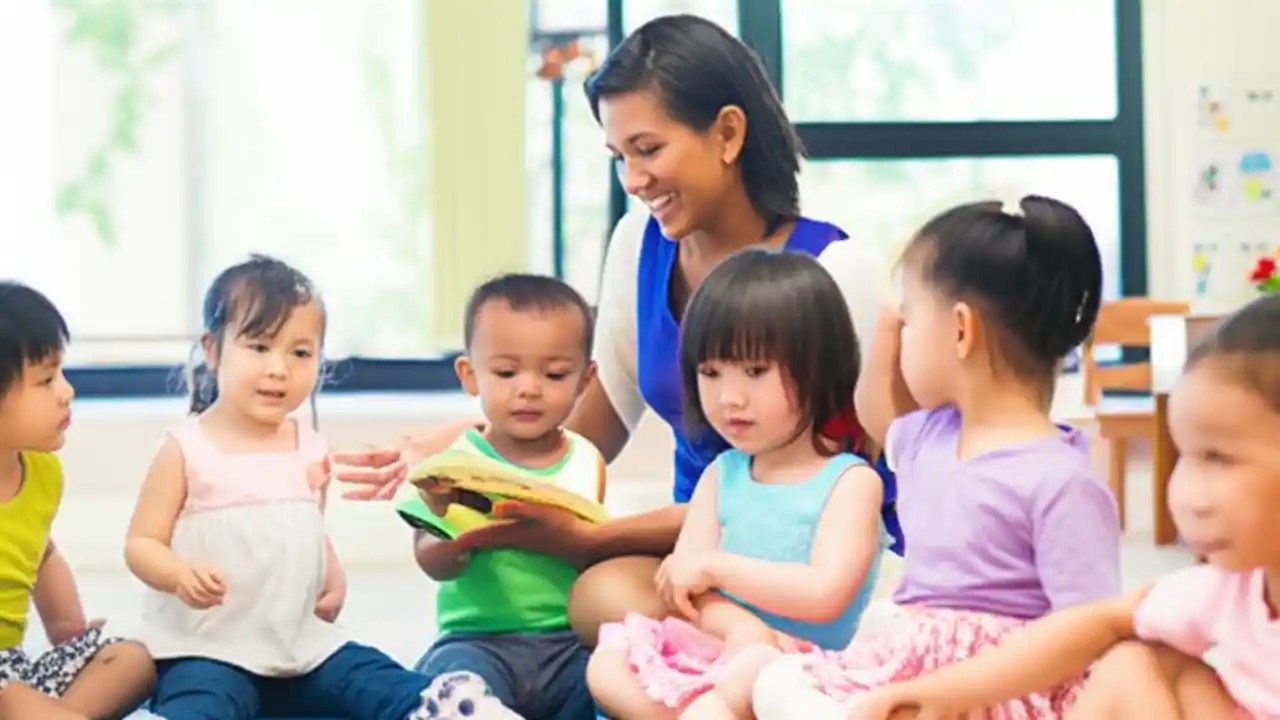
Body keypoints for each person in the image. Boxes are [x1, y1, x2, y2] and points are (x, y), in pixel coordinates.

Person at [331, 12, 897, 648]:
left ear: (728, 133)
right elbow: (587, 428)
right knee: (598, 600)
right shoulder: (638, 244)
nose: (633, 180)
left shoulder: (834, 271)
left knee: (604, 595)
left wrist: (598, 538)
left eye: (649, 150)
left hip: (800, 564)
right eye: (619, 156)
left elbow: (852, 480)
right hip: (691, 552)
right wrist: (463, 454)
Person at [750, 196, 1123, 719]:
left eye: (911, 316)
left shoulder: (1061, 480)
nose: (901, 331)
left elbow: (1089, 628)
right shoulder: (930, 437)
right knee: (770, 680)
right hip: (911, 657)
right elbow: (873, 407)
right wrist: (886, 328)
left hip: (991, 689)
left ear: (961, 330)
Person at [846, 293, 1280, 720]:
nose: (1185, 493)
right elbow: (1098, 621)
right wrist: (942, 693)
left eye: (1218, 458)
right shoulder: (1226, 591)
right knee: (1132, 663)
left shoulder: (1058, 478)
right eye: (1185, 455)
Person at [122, 255, 461, 720]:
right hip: (206, 646)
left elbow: (303, 526)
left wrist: (331, 574)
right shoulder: (187, 448)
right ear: (213, 349)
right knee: (204, 702)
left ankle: (450, 710)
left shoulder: (308, 446)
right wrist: (177, 573)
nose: (279, 368)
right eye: (259, 347)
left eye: (300, 353)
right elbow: (141, 542)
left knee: (374, 678)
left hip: (299, 644)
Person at [586, 250, 888, 720]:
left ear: (819, 368)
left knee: (752, 678)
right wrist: (739, 626)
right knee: (606, 664)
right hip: (723, 650)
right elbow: (686, 591)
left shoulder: (850, 482)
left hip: (802, 673)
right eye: (710, 373)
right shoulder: (721, 475)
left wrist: (718, 569)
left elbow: (825, 593)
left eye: (755, 372)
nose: (730, 397)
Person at [394, 274, 604, 719]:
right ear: (470, 376)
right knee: (448, 684)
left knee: (617, 675)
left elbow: (594, 550)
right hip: (477, 639)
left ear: (585, 380)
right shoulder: (453, 460)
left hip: (568, 641)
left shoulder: (587, 460)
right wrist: (460, 540)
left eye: (554, 374)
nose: (528, 388)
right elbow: (430, 560)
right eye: (506, 372)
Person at [0, 281, 155, 720]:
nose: (66, 391)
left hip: (10, 670)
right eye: (46, 380)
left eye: (61, 374)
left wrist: (69, 633)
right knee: (12, 699)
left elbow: (40, 553)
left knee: (132, 657)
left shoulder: (42, 473)